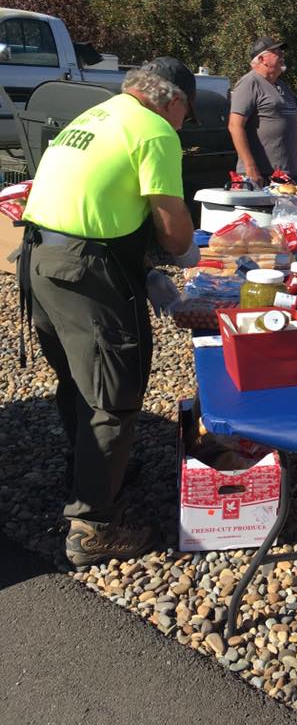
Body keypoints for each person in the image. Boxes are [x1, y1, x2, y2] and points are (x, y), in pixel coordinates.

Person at [20, 58, 200, 566]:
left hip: (39, 259)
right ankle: (93, 524)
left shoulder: (96, 116)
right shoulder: (155, 130)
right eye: (187, 112)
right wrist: (181, 251)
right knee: (113, 392)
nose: (185, 123)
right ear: (174, 101)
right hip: (86, 270)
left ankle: (89, 473)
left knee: (78, 380)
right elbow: (175, 230)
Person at [228, 36, 297, 185]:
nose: (282, 55)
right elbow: (235, 126)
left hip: (286, 175)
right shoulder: (249, 83)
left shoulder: (282, 86)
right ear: (261, 60)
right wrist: (250, 167)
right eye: (276, 51)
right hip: (260, 175)